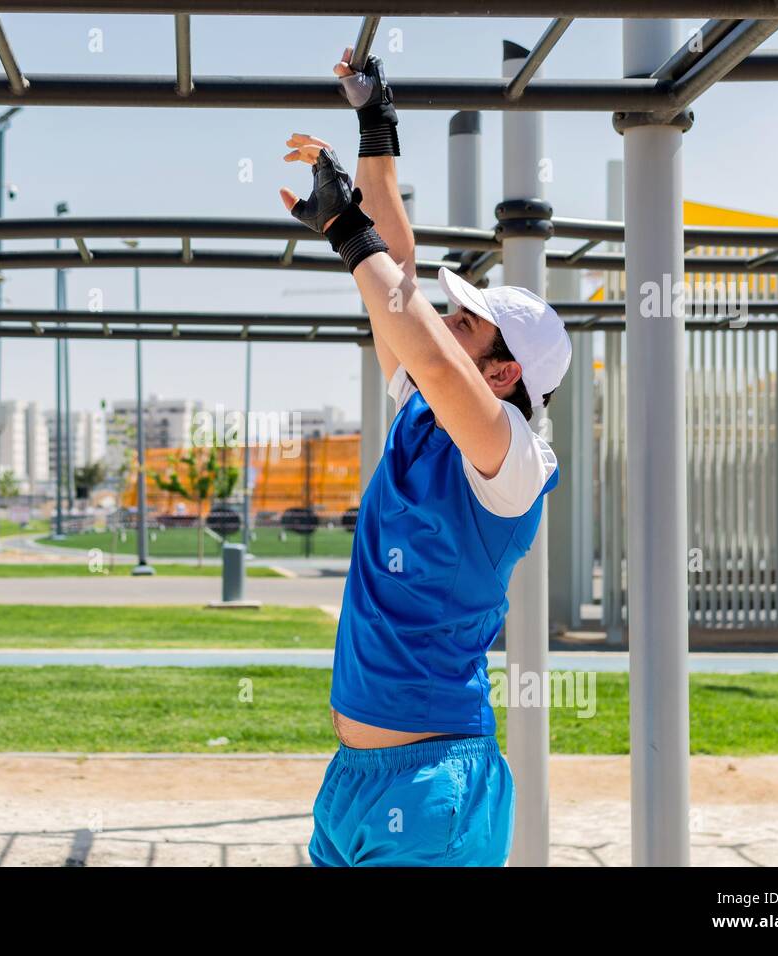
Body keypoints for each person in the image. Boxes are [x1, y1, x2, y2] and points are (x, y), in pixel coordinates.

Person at [280, 49, 572, 867]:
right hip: (356, 781)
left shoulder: (514, 460)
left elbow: (424, 339)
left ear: (505, 373)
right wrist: (378, 124)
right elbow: (398, 271)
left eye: (468, 324)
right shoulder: (423, 414)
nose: (446, 326)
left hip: (431, 789)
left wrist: (345, 230)